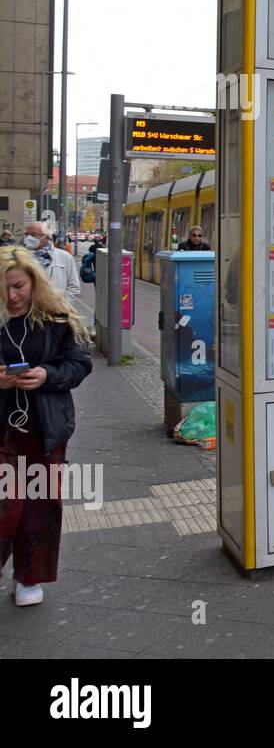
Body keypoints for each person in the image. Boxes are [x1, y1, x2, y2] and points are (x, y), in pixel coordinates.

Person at [0, 245, 93, 606]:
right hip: (3, 430)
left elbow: (80, 365)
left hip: (43, 429)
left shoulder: (56, 318)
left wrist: (46, 374)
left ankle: (28, 577)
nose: (12, 295)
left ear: (34, 283)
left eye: (19, 286)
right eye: (5, 288)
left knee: (39, 505)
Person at [25, 222, 80, 304]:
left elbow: (74, 288)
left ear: (46, 237)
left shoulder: (64, 257)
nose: (28, 237)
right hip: (27, 311)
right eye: (27, 234)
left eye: (33, 234)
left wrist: (60, 306)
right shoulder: (20, 256)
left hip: (56, 311)